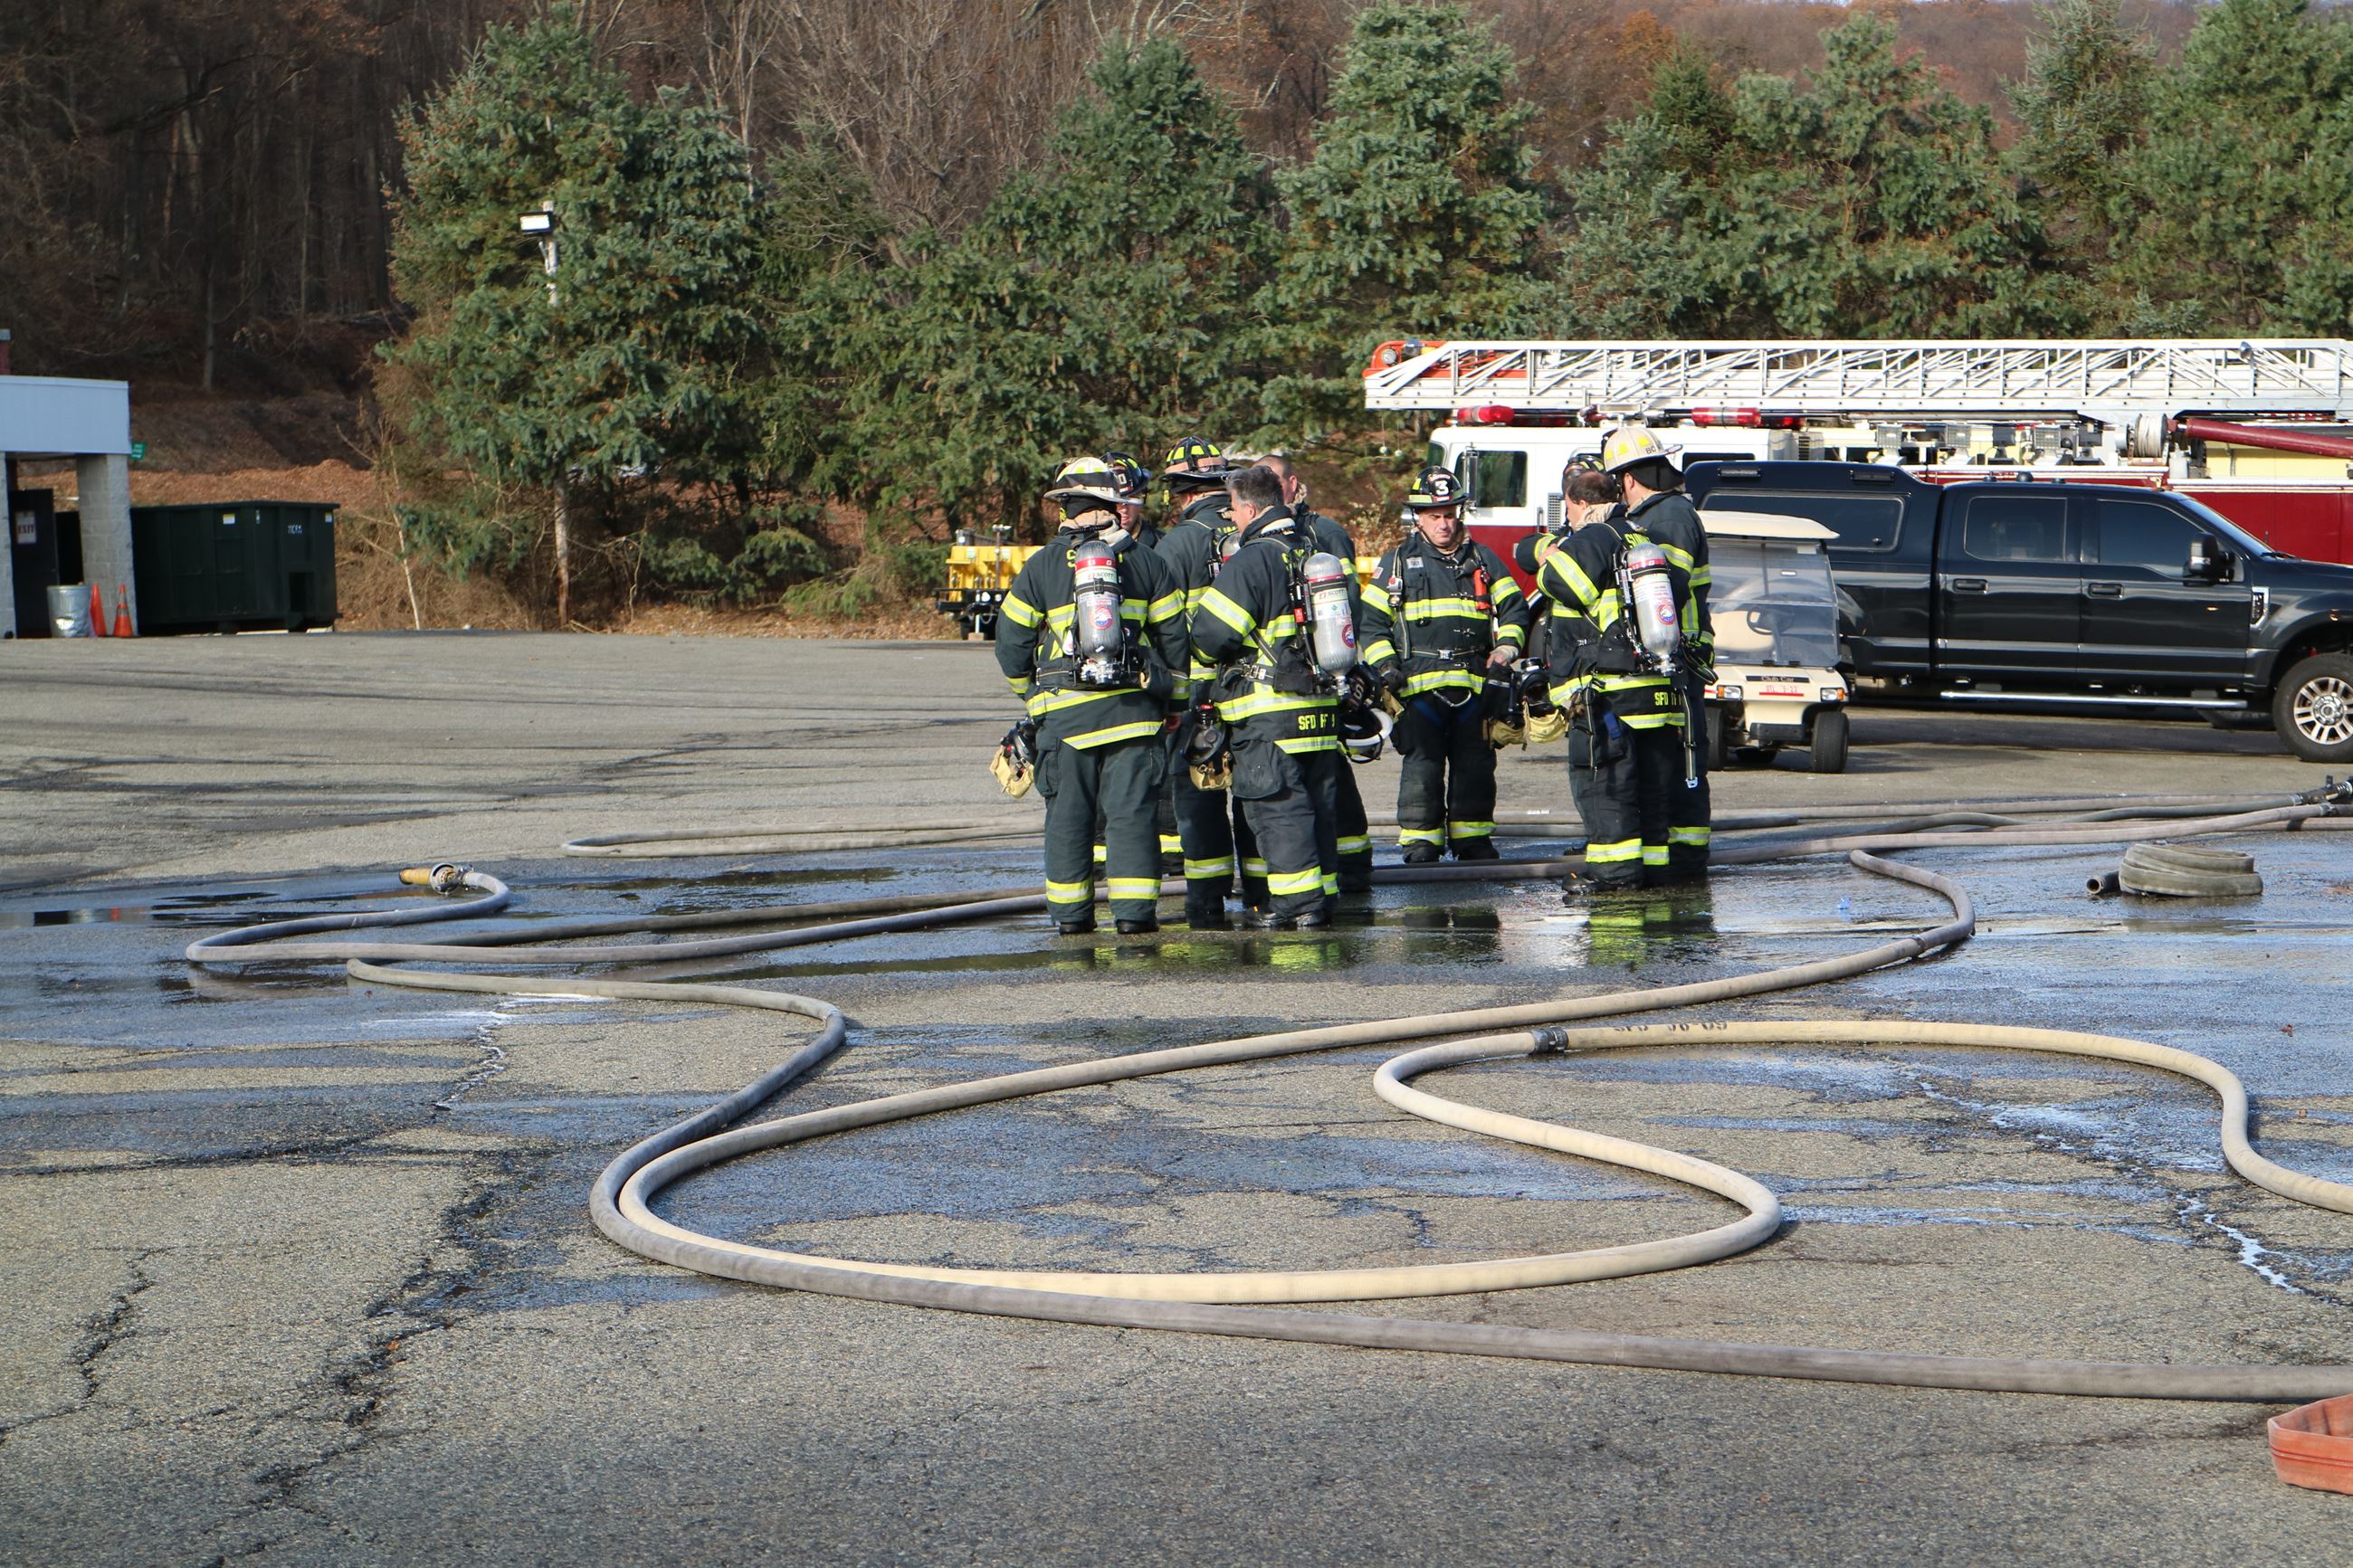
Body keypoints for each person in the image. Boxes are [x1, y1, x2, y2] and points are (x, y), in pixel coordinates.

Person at [996, 456, 1188, 935]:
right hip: (1134, 714)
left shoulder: (1040, 566)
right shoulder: (1148, 561)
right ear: (1112, 504)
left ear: (1064, 507)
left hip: (1064, 717)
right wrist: (1173, 703)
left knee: (1068, 821)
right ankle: (1134, 919)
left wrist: (1033, 699)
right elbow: (1175, 643)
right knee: (1131, 819)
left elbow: (1011, 645)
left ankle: (1071, 920)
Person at [1535, 428, 1712, 890]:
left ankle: (1618, 889)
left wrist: (1554, 550)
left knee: (1609, 791)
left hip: (1619, 686)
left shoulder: (1645, 523)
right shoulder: (1648, 530)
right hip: (1659, 679)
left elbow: (1563, 584)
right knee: (1654, 795)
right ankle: (1657, 878)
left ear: (1628, 480)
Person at [1189, 462, 1343, 929]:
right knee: (1319, 810)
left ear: (1251, 508)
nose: (1231, 518)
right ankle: (1324, 897)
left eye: (1233, 509)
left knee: (1280, 812)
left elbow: (1211, 635)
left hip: (1268, 713)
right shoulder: (1313, 550)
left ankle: (1299, 906)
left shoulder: (1253, 559)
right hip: (1318, 709)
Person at [1358, 465, 1531, 863]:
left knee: (1475, 766)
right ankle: (1422, 843)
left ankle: (1472, 841)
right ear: (1418, 517)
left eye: (1450, 514)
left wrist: (1504, 653)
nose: (1444, 523)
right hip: (1417, 690)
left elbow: (1516, 612)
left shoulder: (1484, 561)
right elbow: (1370, 624)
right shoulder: (1397, 563)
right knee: (1422, 767)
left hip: (1475, 687)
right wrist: (1387, 668)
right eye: (1434, 516)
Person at [1260, 452, 1375, 892]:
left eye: (1275, 480)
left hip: (1327, 673)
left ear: (1293, 484)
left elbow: (1349, 607)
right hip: (1286, 679)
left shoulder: (1324, 534)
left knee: (1332, 773)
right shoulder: (1255, 539)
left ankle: (1353, 861)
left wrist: (1347, 667)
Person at [1151, 437, 1244, 927]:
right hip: (1255, 691)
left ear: (1180, 494)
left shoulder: (1177, 543)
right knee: (1255, 794)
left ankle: (1207, 898)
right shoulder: (1254, 531)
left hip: (1197, 698)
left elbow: (1162, 628)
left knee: (1200, 797)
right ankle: (1264, 891)